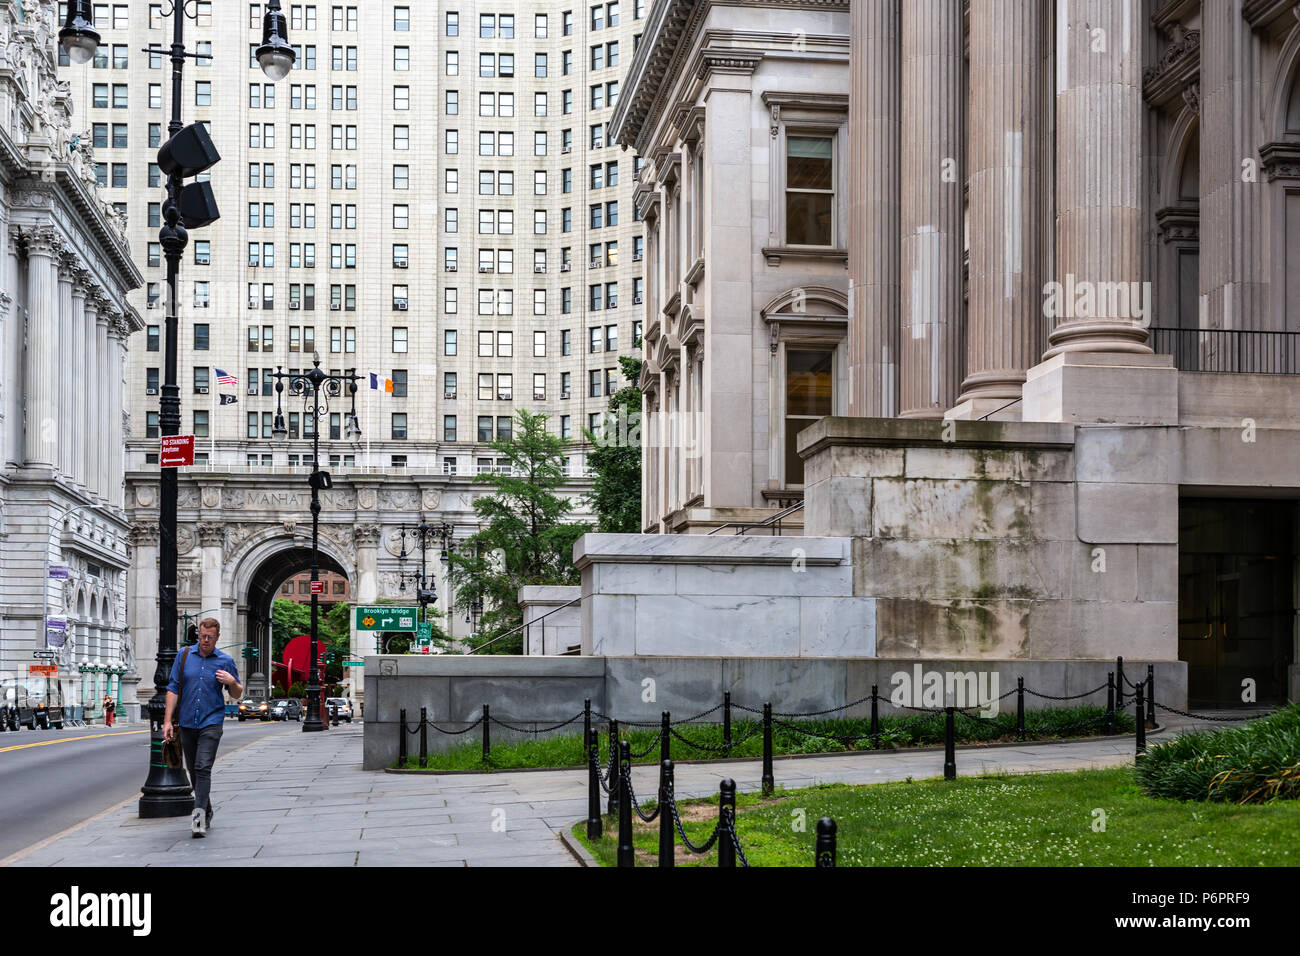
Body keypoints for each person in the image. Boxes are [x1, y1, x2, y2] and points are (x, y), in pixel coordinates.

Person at [163, 617, 241, 838]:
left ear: (218, 637)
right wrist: (168, 721)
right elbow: (172, 689)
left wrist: (231, 682)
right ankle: (206, 808)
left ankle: (198, 819)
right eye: (202, 636)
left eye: (210, 637)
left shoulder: (225, 661)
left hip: (211, 721)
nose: (205, 640)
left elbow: (237, 693)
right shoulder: (184, 655)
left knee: (203, 767)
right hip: (187, 722)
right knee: (194, 771)